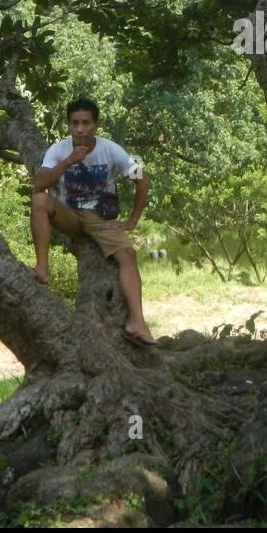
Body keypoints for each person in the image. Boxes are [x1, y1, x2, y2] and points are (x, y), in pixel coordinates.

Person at [30, 97, 156, 346]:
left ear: (96, 125)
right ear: (68, 125)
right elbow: (40, 184)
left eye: (86, 123)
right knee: (39, 200)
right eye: (75, 123)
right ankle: (42, 268)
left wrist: (132, 220)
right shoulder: (58, 150)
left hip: (100, 220)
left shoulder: (111, 149)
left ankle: (137, 322)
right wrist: (69, 161)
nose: (80, 129)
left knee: (128, 256)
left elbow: (144, 180)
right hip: (70, 215)